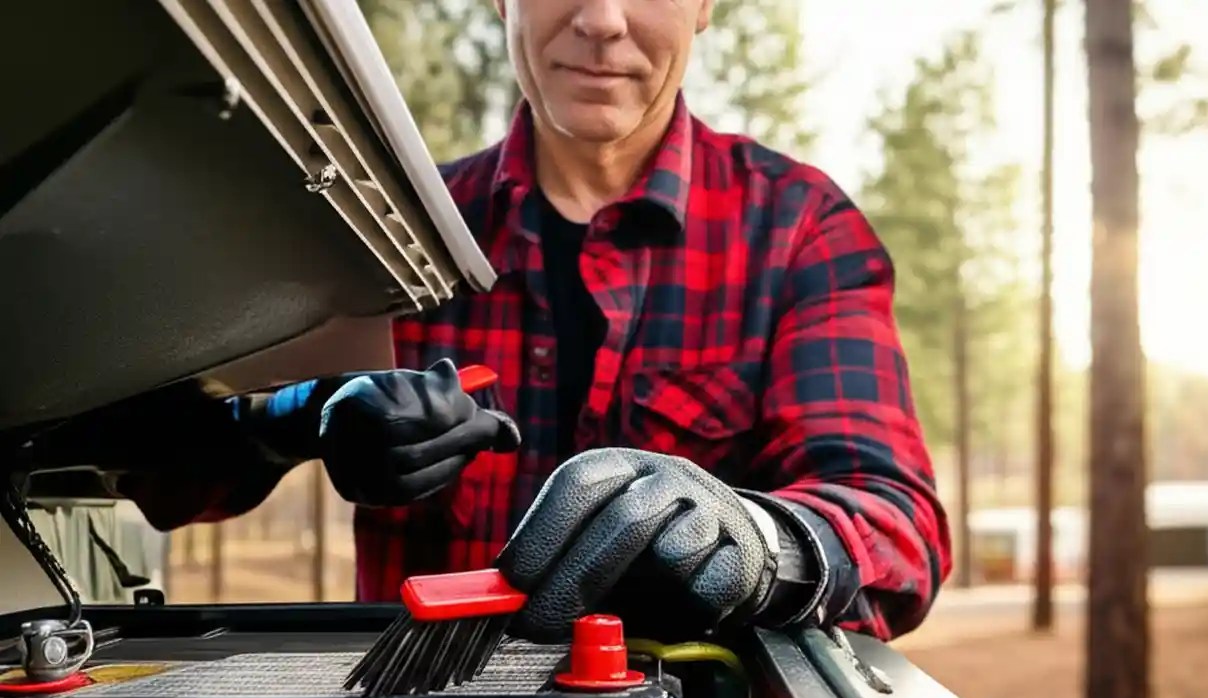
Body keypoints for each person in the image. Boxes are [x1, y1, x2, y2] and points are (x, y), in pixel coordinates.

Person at [107, 0, 951, 643]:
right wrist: (303, 418)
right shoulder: (381, 236)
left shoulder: (800, 229)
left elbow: (896, 524)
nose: (601, 21)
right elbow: (158, 469)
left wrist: (761, 542)